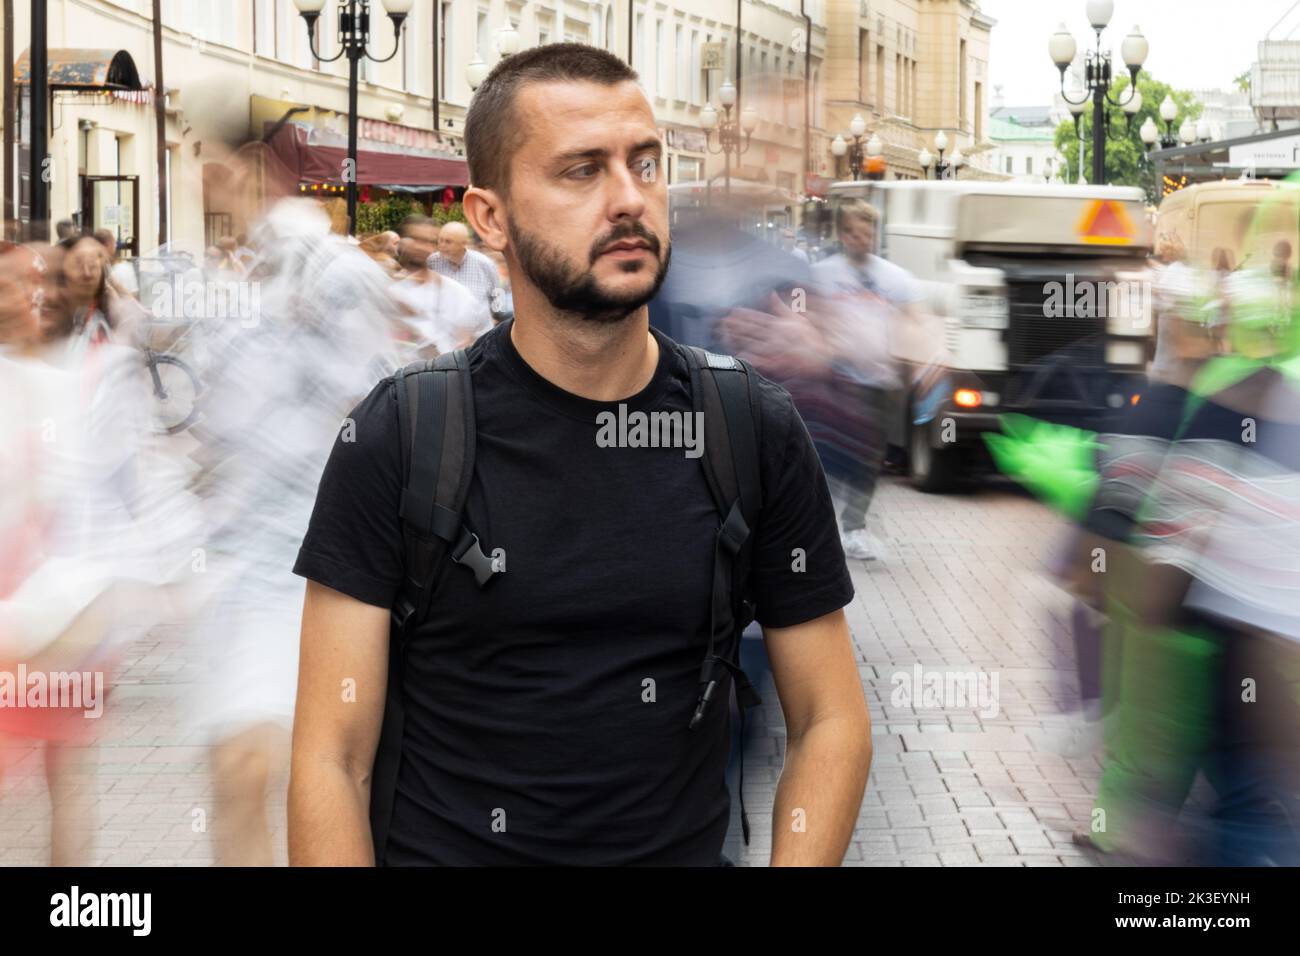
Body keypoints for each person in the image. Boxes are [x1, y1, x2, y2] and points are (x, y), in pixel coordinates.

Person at [289, 42, 872, 867]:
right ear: (491, 218)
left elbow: (830, 719)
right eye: (581, 171)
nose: (630, 199)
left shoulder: (750, 427)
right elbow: (330, 756)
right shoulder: (401, 436)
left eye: (645, 163)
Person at [810, 199, 924, 560]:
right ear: (843, 235)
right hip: (836, 379)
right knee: (825, 455)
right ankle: (818, 526)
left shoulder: (894, 278)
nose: (862, 240)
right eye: (855, 233)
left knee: (868, 460)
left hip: (879, 384)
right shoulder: (821, 275)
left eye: (868, 233)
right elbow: (807, 318)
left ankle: (854, 528)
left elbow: (911, 321)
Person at [390, 215, 491, 354]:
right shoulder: (392, 293)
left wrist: (499, 311)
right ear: (403, 241)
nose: (443, 246)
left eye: (428, 241)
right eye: (415, 239)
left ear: (464, 243)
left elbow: (496, 293)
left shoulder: (459, 291)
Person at [428, 219, 502, 315]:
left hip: (478, 328)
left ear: (464, 243)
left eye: (448, 242)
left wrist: (498, 318)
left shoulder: (485, 264)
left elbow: (498, 294)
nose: (442, 245)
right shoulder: (432, 262)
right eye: (440, 240)